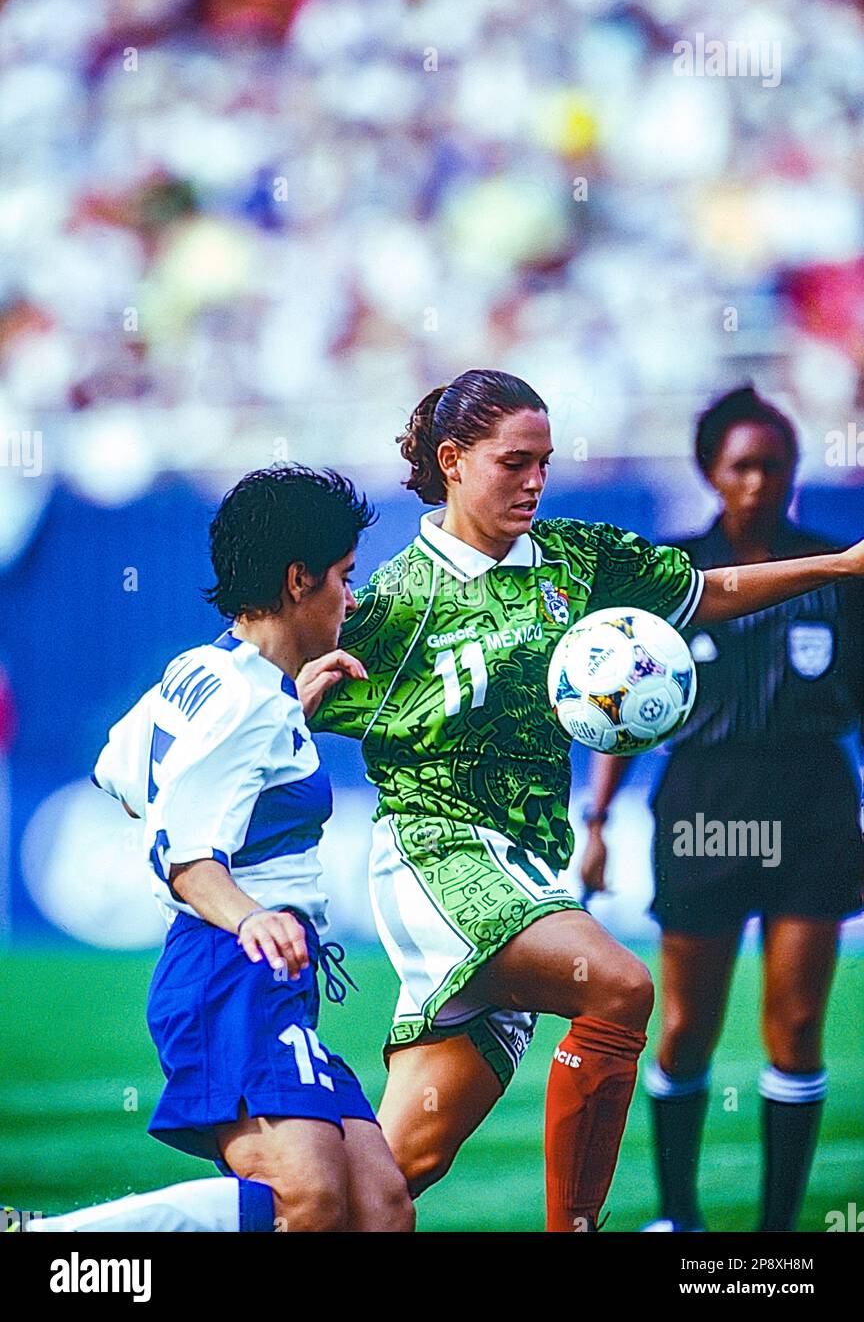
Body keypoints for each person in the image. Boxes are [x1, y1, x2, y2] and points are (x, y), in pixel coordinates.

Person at [295, 369, 864, 1233]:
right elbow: (265, 673)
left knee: (388, 1181)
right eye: (513, 462)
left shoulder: (582, 560)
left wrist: (841, 565)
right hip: (436, 852)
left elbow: (707, 596)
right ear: (452, 461)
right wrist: (279, 706)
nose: (534, 481)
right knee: (621, 987)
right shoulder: (393, 603)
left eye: (545, 463)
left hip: (529, 869)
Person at [15, 466, 414, 1234]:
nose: (352, 598)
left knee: (379, 1207)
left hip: (252, 977)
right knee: (312, 1201)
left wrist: (282, 723)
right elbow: (184, 850)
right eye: (344, 576)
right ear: (299, 580)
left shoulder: (206, 671)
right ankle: (53, 1241)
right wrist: (250, 916)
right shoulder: (249, 703)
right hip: (228, 970)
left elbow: (123, 772)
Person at [580, 385, 864, 1233]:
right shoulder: (669, 576)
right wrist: (595, 825)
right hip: (703, 807)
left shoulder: (839, 571)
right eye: (742, 465)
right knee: (687, 1027)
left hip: (813, 805)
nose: (758, 481)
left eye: (774, 465)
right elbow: (608, 707)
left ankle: (778, 1236)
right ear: (711, 471)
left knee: (799, 1024)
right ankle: (679, 1216)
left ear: (793, 471)